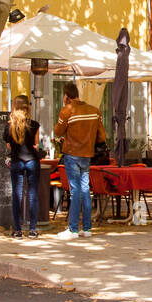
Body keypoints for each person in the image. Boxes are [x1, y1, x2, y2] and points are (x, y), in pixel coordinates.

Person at [53, 85, 106, 239]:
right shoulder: (94, 110)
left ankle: (73, 229)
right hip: (87, 155)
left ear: (66, 96)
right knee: (84, 190)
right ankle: (87, 229)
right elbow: (102, 137)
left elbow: (57, 132)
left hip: (72, 154)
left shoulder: (67, 110)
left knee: (75, 191)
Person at [3, 94, 43, 238]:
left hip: (16, 161)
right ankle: (32, 229)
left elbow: (8, 144)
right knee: (33, 195)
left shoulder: (9, 125)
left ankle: (17, 230)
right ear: (28, 107)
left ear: (14, 107)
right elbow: (36, 145)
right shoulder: (35, 124)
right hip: (32, 161)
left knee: (17, 195)